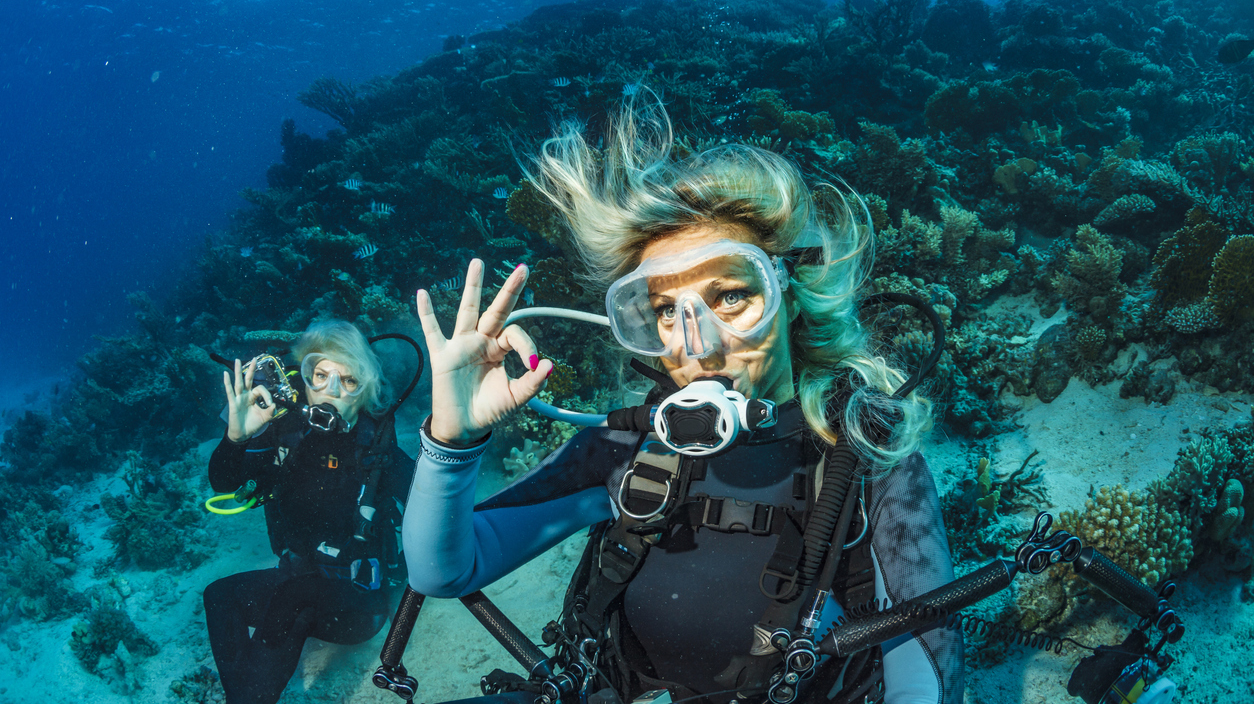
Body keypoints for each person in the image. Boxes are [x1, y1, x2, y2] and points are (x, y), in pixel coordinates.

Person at [404, 101, 963, 703]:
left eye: (728, 296)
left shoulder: (866, 455)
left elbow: (926, 683)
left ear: (791, 296)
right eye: (667, 310)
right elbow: (443, 571)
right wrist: (451, 443)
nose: (698, 346)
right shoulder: (623, 448)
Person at [204, 319, 416, 704]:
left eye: (349, 381)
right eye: (320, 375)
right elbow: (223, 482)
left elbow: (436, 510)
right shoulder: (287, 435)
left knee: (293, 597)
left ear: (366, 390)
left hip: (359, 604)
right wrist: (235, 438)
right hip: (297, 580)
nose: (331, 391)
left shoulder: (376, 454)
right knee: (220, 596)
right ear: (302, 377)